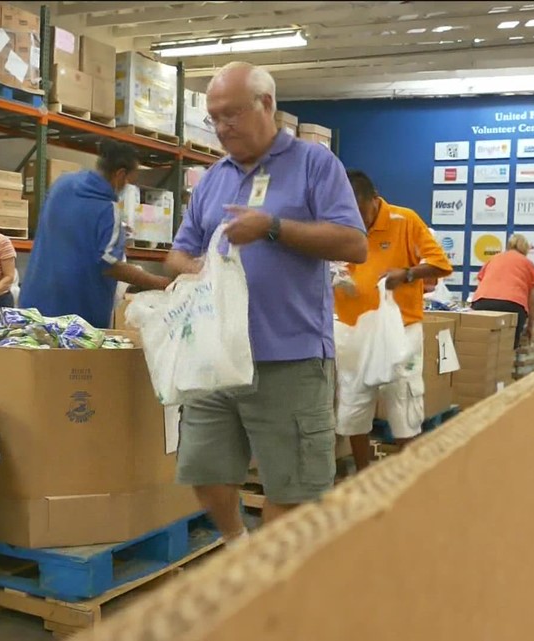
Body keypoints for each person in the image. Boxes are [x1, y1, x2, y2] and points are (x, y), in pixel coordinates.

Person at [166, 62, 367, 541]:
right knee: (204, 469)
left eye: (232, 113)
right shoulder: (213, 178)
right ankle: (240, 546)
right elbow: (178, 251)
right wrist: (200, 271)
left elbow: (352, 243)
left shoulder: (316, 165)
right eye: (214, 117)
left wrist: (272, 227)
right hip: (216, 357)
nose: (222, 126)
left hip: (290, 355)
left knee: (295, 484)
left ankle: (267, 580)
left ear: (267, 105)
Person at [334, 171, 452, 472]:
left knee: (404, 404)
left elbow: (440, 264)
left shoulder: (405, 220)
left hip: (400, 330)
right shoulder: (338, 223)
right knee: (353, 406)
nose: (359, 223)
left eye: (363, 214)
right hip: (352, 330)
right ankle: (364, 478)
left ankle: (408, 482)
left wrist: (408, 274)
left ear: (375, 199)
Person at [19, 141, 171, 328]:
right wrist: (162, 283)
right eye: (129, 181)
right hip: (76, 318)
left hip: (33, 303)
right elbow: (110, 267)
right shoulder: (108, 210)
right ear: (120, 175)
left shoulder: (62, 184)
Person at [471, 234, 534, 348]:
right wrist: (530, 325)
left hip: (482, 302)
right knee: (507, 348)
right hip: (513, 305)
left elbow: (481, 282)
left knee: (481, 345)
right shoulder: (528, 264)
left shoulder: (493, 259)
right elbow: (533, 300)